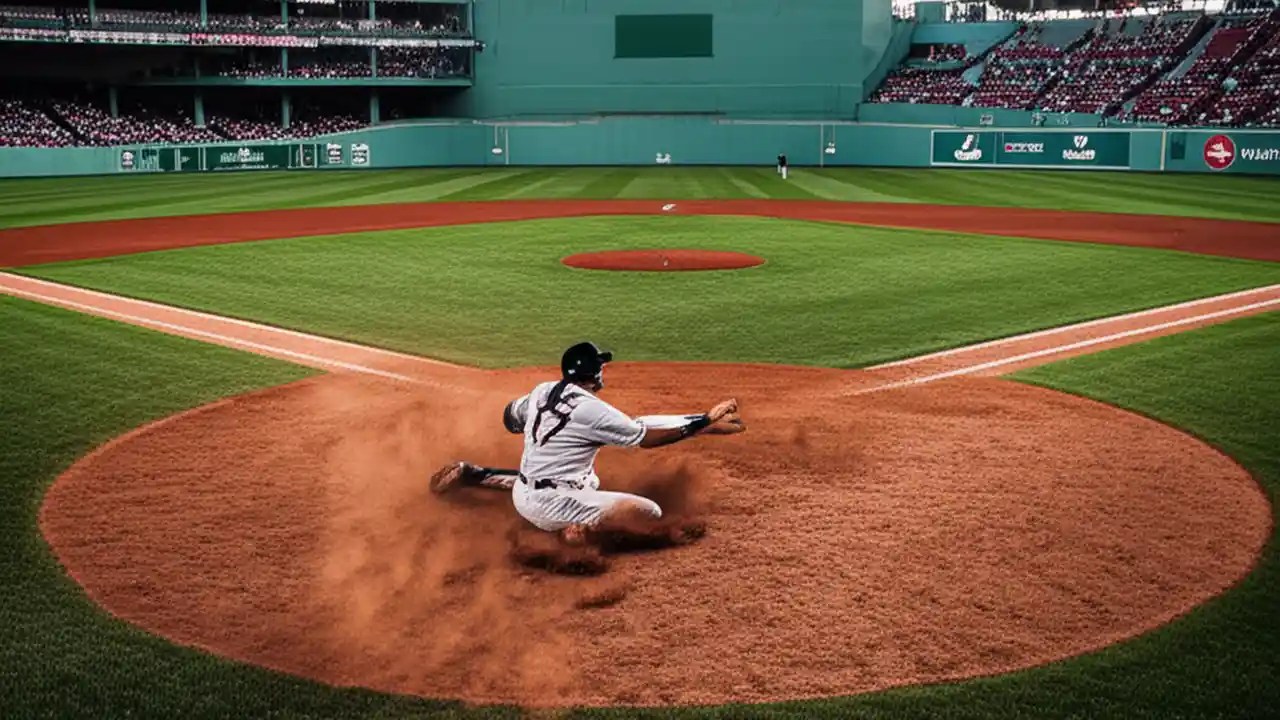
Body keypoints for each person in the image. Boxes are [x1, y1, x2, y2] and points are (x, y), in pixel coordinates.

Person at [429, 342, 744, 548]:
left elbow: (510, 418)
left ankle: (477, 474)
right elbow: (645, 437)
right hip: (553, 506)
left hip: (524, 492)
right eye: (600, 367)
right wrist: (704, 421)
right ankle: (576, 530)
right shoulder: (590, 409)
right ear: (592, 374)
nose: (603, 371)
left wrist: (702, 423)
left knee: (583, 478)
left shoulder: (543, 390)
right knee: (649, 511)